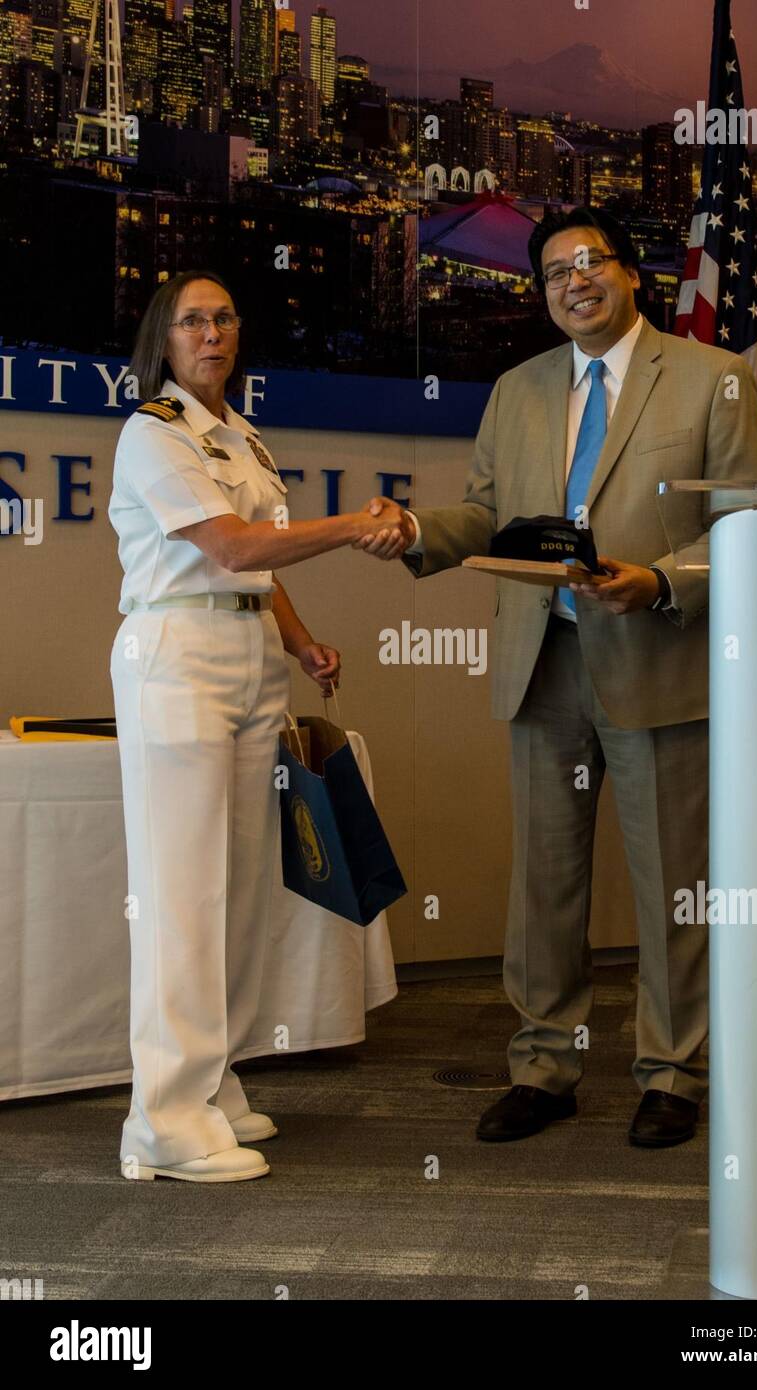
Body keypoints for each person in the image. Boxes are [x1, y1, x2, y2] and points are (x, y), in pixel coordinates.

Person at [358, 207, 757, 1148]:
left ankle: (673, 1073)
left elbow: (744, 518)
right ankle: (543, 1067)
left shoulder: (711, 377)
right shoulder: (519, 389)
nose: (573, 282)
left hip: (657, 660)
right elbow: (489, 516)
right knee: (543, 885)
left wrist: (660, 582)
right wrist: (416, 530)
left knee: (673, 883)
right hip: (542, 662)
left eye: (590, 263)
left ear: (630, 274)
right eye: (553, 272)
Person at [109, 270, 404, 1183]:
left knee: (236, 887)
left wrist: (303, 644)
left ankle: (212, 1083)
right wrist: (354, 526)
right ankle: (162, 1120)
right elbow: (231, 546)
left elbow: (256, 573)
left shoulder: (239, 434)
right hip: (178, 656)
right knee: (180, 894)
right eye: (193, 321)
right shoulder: (153, 432)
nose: (213, 333)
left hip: (249, 654)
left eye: (225, 318)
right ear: (164, 339)